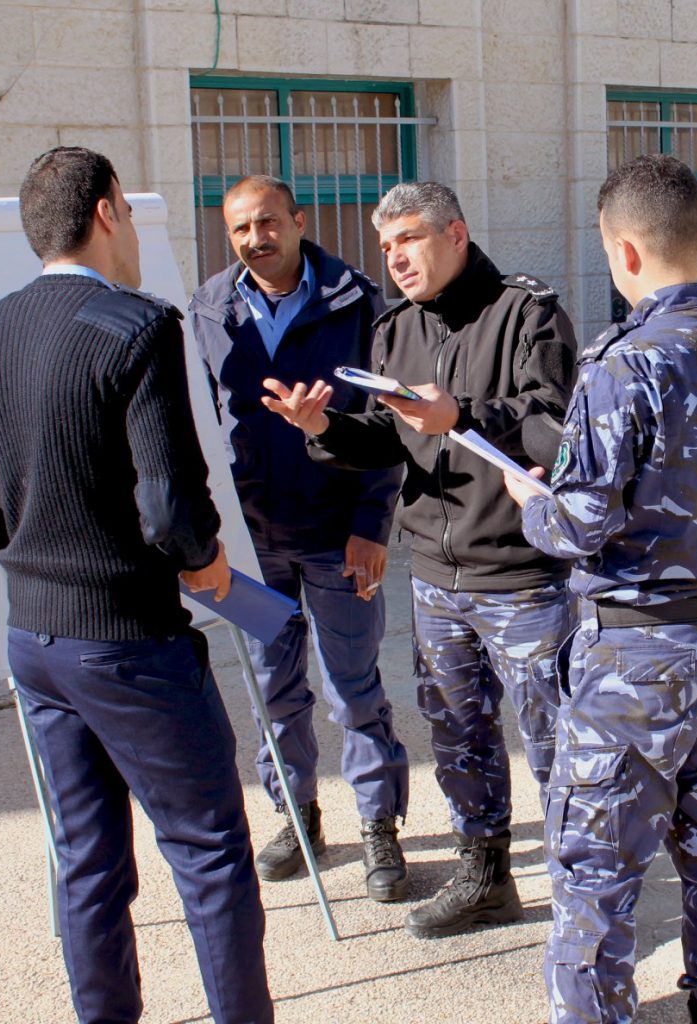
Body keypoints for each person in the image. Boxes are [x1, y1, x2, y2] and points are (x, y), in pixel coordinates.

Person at [0, 147, 271, 1023]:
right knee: (208, 853)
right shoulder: (137, 326)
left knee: (86, 862)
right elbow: (170, 508)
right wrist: (202, 562)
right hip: (129, 642)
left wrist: (43, 536)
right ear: (109, 213)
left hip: (35, 643)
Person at [502, 154, 697, 1024]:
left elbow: (578, 527)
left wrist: (534, 501)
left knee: (597, 866)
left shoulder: (621, 366)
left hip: (637, 654)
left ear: (625, 253)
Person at [260, 181, 577, 939]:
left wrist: (463, 414)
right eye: (386, 247)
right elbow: (387, 434)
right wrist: (326, 426)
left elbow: (558, 427)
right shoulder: (395, 327)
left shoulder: (527, 312)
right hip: (436, 577)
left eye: (409, 240)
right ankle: (485, 875)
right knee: (459, 735)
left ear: (456, 234)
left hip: (519, 573)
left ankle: (584, 891)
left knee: (557, 743)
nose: (395, 258)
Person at [190, 175, 410, 897]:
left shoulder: (355, 301)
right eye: (241, 229)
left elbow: (387, 424)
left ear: (298, 220)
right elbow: (197, 423)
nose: (257, 238)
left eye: (268, 222)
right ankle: (299, 815)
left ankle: (379, 824)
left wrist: (372, 524)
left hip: (337, 536)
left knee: (354, 688)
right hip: (253, 546)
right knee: (272, 687)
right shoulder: (209, 309)